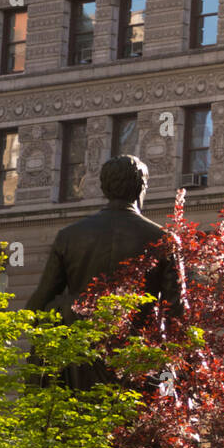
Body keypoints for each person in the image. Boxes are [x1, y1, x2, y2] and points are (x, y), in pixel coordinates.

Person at [26, 154, 183, 388]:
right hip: (137, 359)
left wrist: (25, 326)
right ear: (141, 188)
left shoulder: (69, 236)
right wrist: (174, 373)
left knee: (70, 420)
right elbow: (176, 311)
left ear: (104, 188)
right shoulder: (163, 239)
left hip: (79, 359)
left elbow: (42, 297)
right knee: (166, 407)